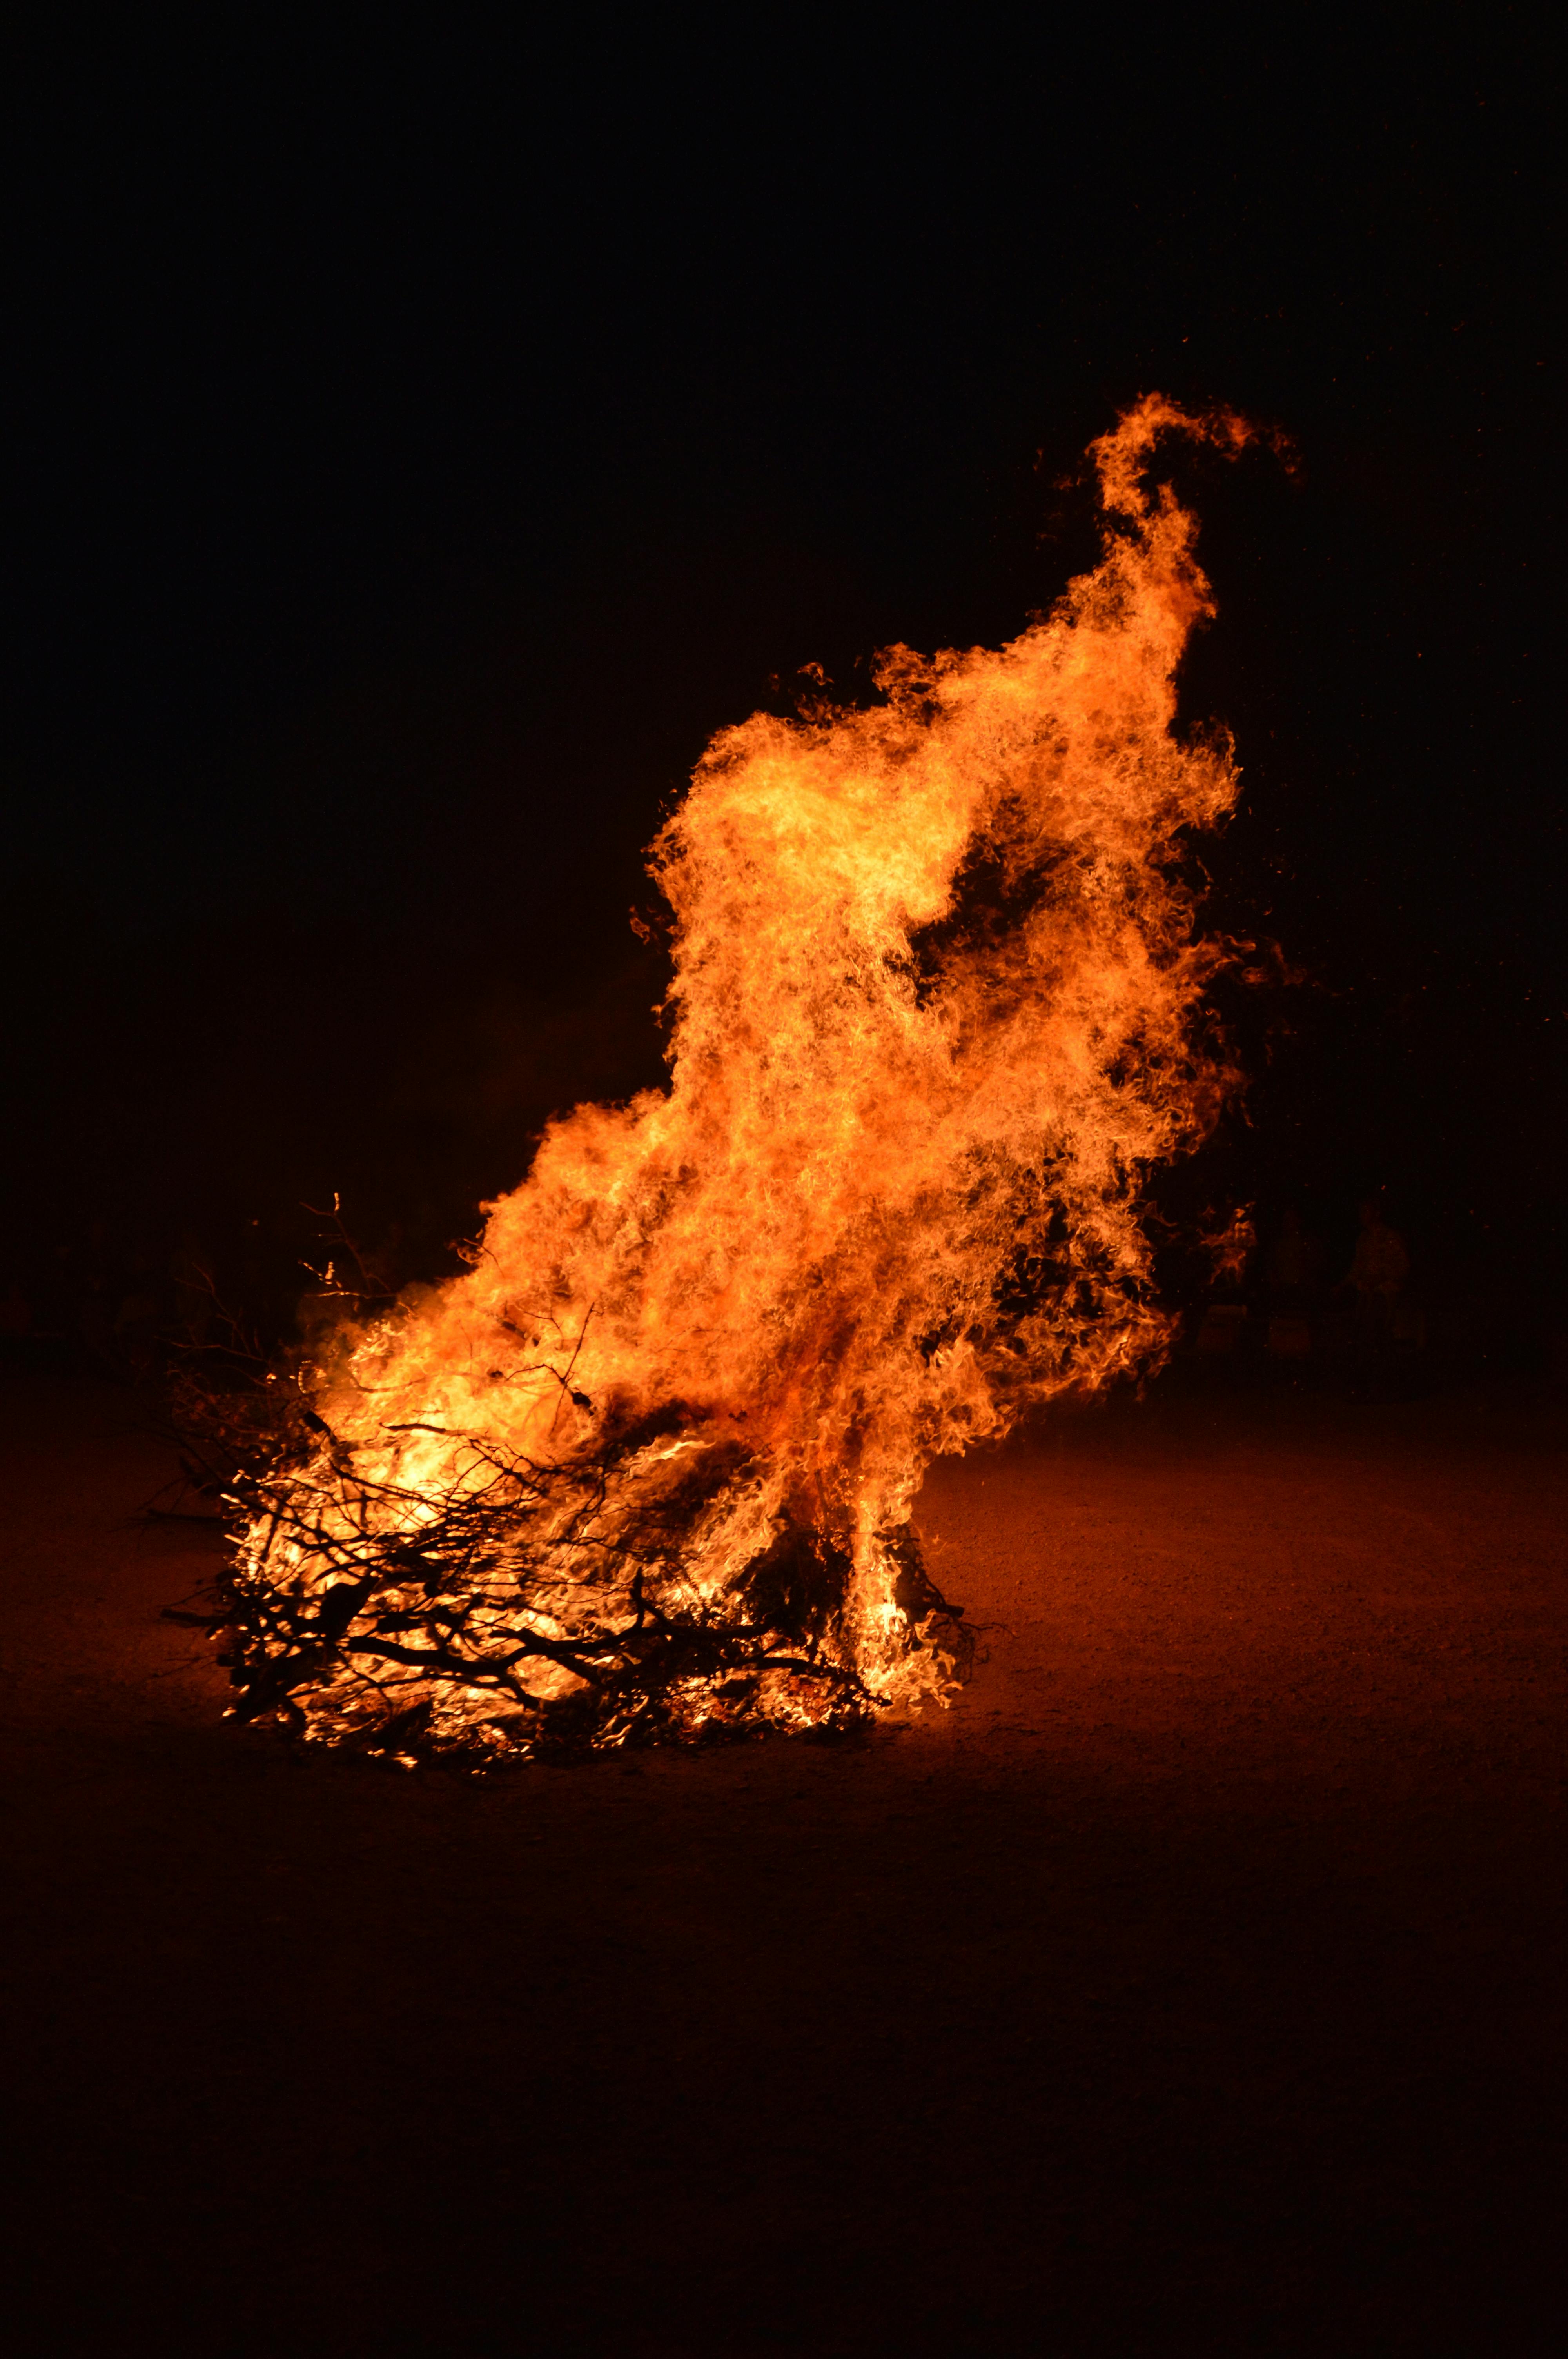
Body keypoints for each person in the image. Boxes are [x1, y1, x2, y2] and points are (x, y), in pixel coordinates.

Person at [1342, 1198, 1410, 1350]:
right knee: (1363, 1337)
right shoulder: (1364, 1239)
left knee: (1382, 1336)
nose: (1362, 1216)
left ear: (1377, 1214)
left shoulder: (1390, 1237)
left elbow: (1403, 1266)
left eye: (1365, 1211)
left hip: (1385, 1295)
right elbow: (1358, 1267)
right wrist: (1343, 1284)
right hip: (1366, 1296)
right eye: (1361, 1212)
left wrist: (1382, 1277)